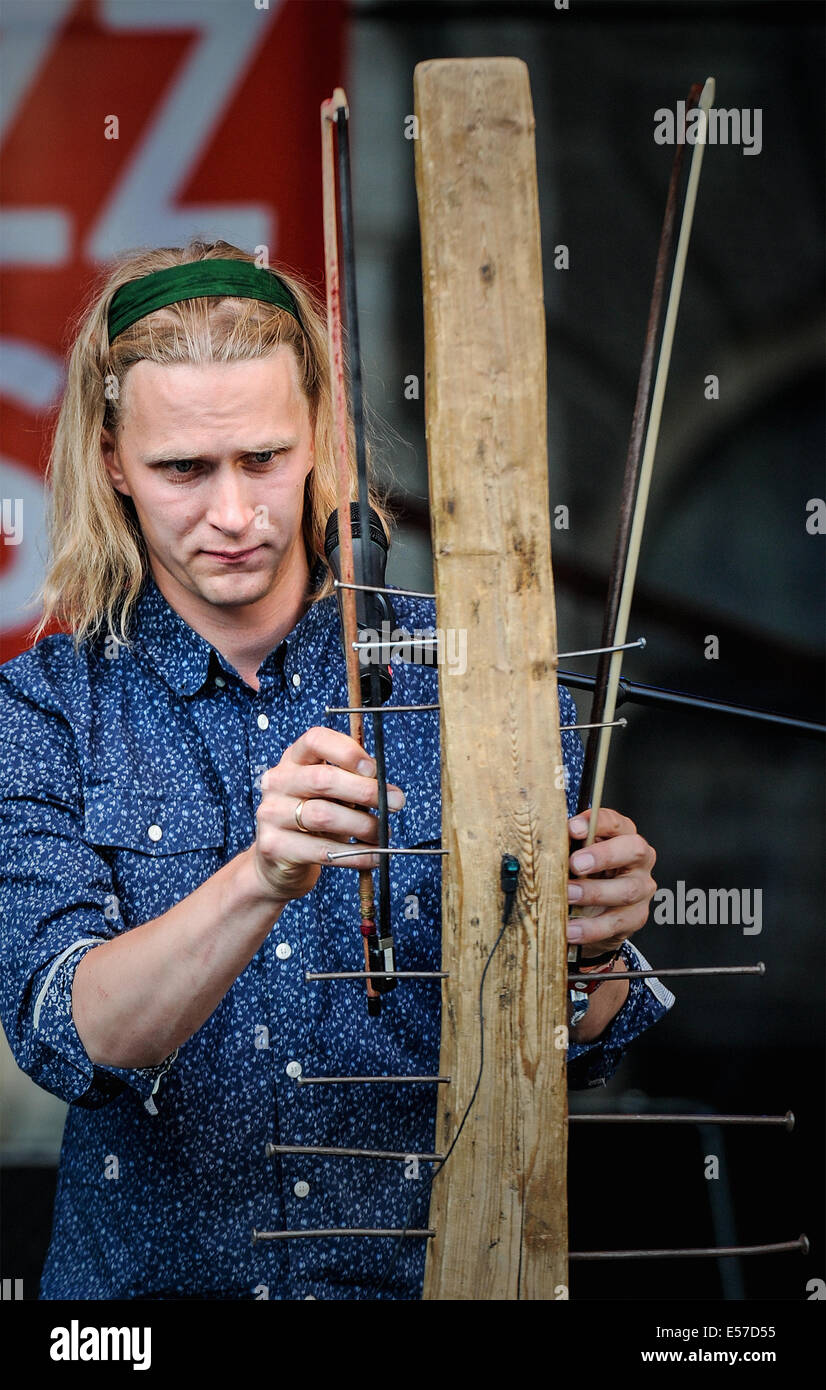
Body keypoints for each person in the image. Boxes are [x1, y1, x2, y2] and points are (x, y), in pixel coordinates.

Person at [0, 241, 672, 1301]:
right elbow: (69, 1032)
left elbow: (574, 1045)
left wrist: (592, 946)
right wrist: (257, 878)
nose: (234, 514)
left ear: (318, 435)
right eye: (185, 469)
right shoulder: (42, 707)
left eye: (265, 458)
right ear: (112, 456)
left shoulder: (479, 679)